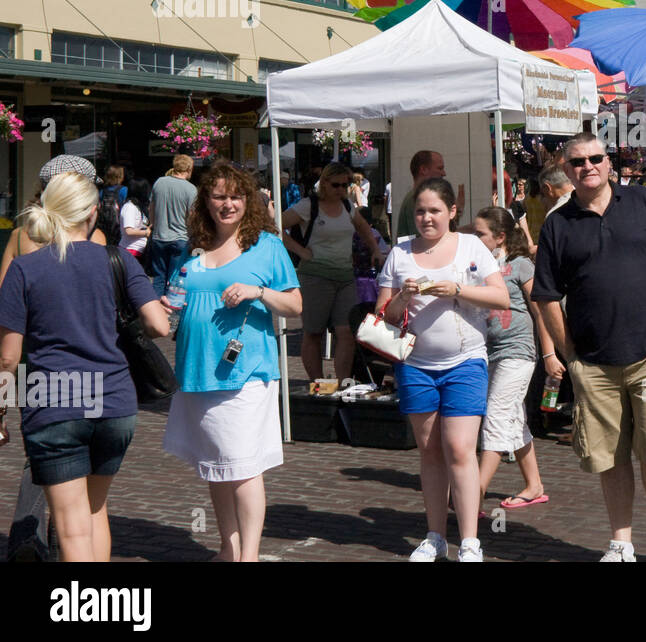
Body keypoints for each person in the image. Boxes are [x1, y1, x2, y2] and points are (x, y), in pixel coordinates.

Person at [531, 133, 646, 562]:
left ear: (609, 162)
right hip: (594, 360)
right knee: (609, 454)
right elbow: (545, 295)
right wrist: (569, 355)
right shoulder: (557, 224)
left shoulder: (642, 201)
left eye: (596, 158)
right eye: (578, 162)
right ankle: (621, 541)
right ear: (567, 170)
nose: (588, 167)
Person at [0, 173, 170, 562]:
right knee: (95, 512)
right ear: (94, 212)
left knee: (72, 524)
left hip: (54, 402)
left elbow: (8, 359)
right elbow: (159, 325)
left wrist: (0, 411)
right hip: (114, 403)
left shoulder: (25, 269)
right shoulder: (118, 260)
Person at [161, 162, 301, 561]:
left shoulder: (267, 245)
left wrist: (258, 291)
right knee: (216, 465)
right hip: (198, 370)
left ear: (248, 200)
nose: (227, 204)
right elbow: (177, 300)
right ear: (205, 200)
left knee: (241, 464)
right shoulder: (196, 248)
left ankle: (250, 555)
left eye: (235, 196)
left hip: (247, 373)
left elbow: (294, 304)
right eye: (219, 196)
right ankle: (229, 547)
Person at [377, 179, 507, 562]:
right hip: (416, 364)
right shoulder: (399, 253)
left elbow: (500, 296)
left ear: (452, 211)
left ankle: (470, 540)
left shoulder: (470, 247)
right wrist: (403, 296)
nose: (426, 217)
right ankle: (435, 535)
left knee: (460, 449)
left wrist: (456, 290)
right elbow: (384, 315)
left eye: (434, 210)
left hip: (466, 361)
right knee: (430, 451)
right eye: (420, 211)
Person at [471, 207, 547, 509]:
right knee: (513, 418)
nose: (474, 238)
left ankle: (473, 493)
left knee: (496, 416)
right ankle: (534, 484)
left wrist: (550, 353)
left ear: (500, 236)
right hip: (491, 352)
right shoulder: (482, 266)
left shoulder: (520, 266)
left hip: (519, 352)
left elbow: (541, 310)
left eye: (481, 234)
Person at [281, 162, 384, 383]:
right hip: (315, 275)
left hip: (345, 276)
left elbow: (364, 227)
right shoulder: (308, 205)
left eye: (345, 185)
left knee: (346, 332)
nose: (341, 190)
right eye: (336, 185)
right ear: (324, 184)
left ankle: (343, 381)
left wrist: (375, 249)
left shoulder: (347, 206)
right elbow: (275, 225)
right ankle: (318, 382)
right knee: (314, 331)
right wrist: (300, 250)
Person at [148, 154, 197, 298]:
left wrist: (153, 225)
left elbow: (151, 207)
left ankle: (157, 308)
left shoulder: (159, 182)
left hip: (159, 237)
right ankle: (171, 310)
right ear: (188, 169)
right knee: (175, 278)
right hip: (180, 238)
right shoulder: (191, 189)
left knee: (158, 277)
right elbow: (192, 215)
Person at [396, 150, 465, 241]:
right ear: (423, 170)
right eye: (439, 168)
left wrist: (457, 213)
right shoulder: (415, 200)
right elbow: (427, 239)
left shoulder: (414, 198)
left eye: (435, 211)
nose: (444, 173)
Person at [119, 178, 152, 263]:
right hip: (130, 251)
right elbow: (129, 231)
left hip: (138, 251)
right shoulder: (129, 207)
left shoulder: (138, 206)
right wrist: (146, 233)